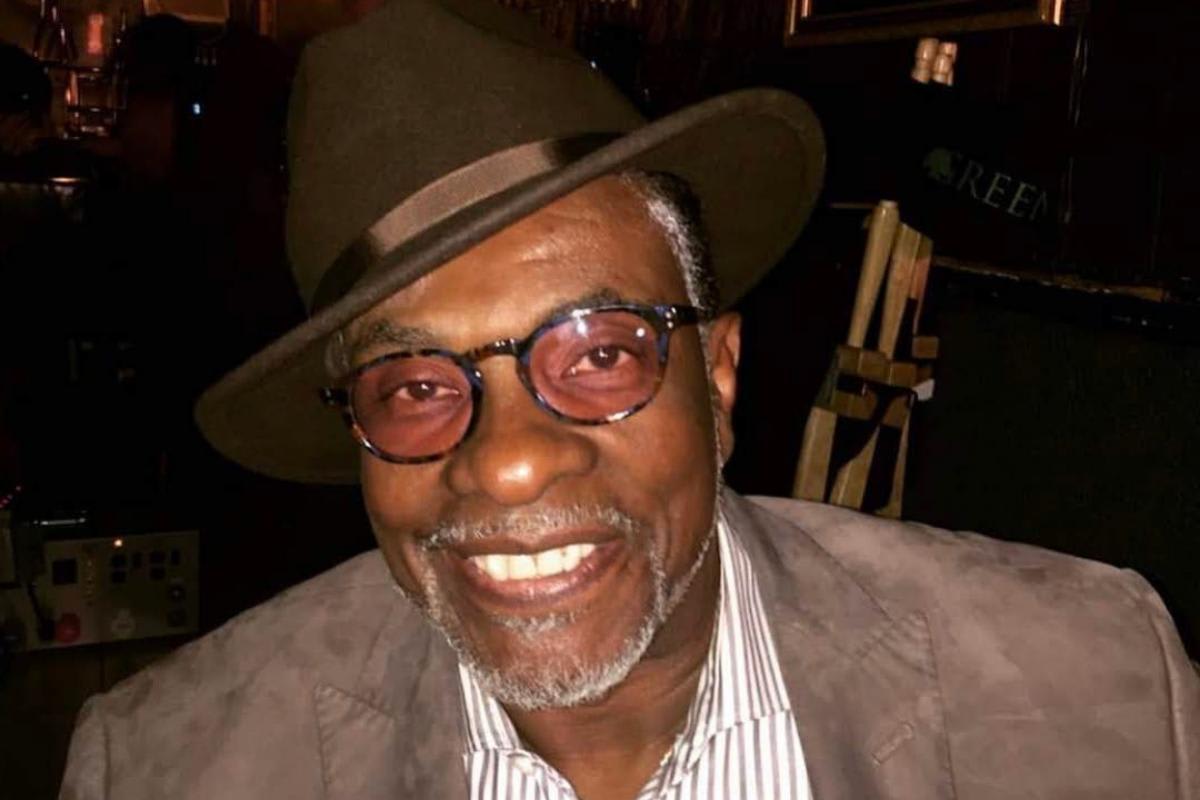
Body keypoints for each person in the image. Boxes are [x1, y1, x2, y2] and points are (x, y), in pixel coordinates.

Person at [60, 1, 1199, 798]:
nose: (509, 463)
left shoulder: (1092, 688)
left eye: (599, 353)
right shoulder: (165, 767)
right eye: (415, 385)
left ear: (719, 374)